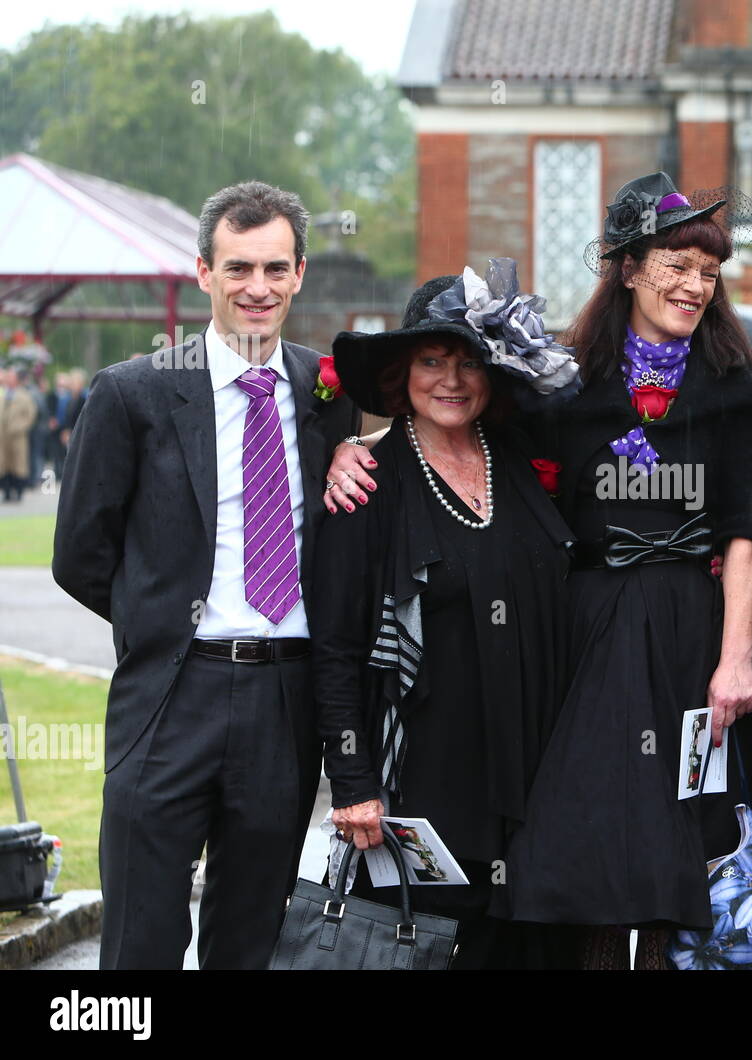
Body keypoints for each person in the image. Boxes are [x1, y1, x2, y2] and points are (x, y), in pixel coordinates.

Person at [327, 173, 752, 969]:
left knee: (686, 855)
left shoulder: (733, 387)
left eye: (708, 272)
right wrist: (355, 446)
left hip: (691, 636)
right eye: (677, 264)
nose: (694, 285)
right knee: (587, 854)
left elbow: (747, 533)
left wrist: (736, 657)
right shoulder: (567, 384)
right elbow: (451, 423)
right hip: (588, 635)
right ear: (629, 268)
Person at [52, 180, 358, 969]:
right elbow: (80, 554)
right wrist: (162, 624)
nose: (257, 287)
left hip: (286, 701)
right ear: (203, 272)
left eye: (275, 269)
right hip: (169, 696)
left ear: (298, 276)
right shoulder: (134, 393)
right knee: (141, 936)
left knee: (252, 934)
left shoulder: (326, 393)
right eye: (238, 268)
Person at [314, 262, 580, 968]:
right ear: (401, 373)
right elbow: (335, 649)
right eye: (432, 360)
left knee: (531, 948)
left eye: (470, 362)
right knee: (433, 949)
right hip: (427, 779)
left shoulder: (523, 465)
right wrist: (353, 785)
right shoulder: (366, 486)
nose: (452, 380)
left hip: (536, 768)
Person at [0, 365, 38, 502]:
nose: (8, 379)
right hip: (3, 436)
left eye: (11, 376)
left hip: (17, 436)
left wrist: (21, 427)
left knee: (19, 464)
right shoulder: (3, 394)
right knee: (4, 464)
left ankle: (19, 491)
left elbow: (31, 415)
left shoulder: (24, 395)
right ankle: (7, 492)